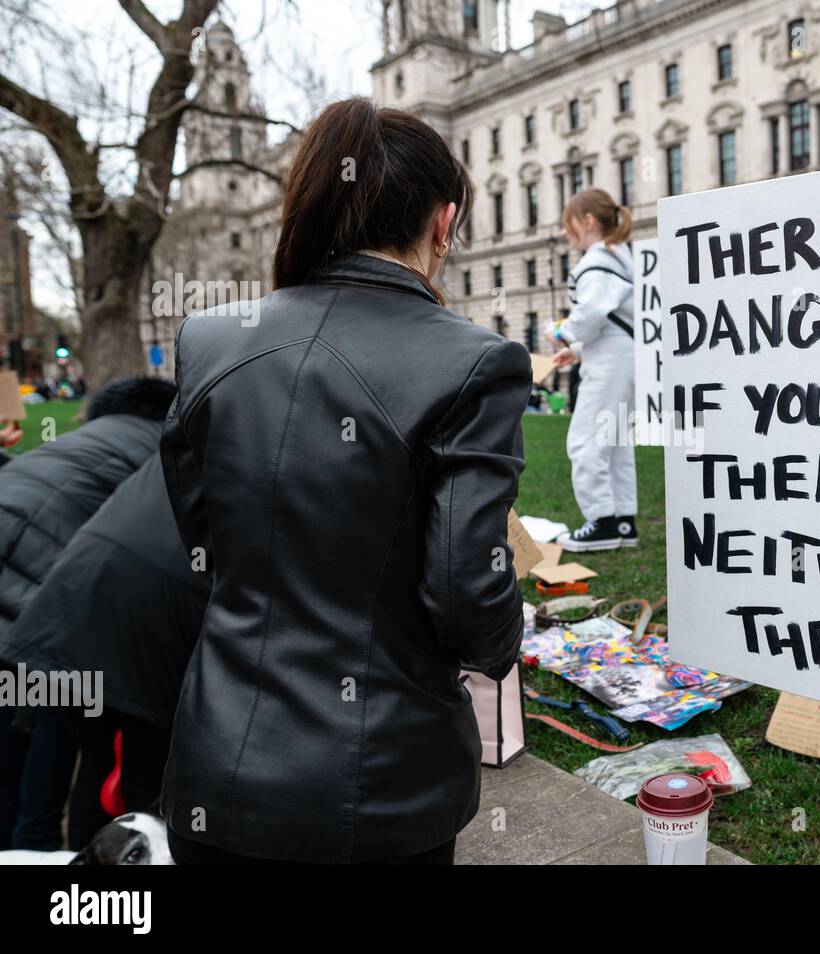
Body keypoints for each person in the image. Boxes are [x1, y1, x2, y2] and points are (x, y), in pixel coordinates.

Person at [159, 97, 531, 865]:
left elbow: (205, 545)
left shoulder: (209, 338)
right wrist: (499, 647)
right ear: (442, 222)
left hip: (217, 768)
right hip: (381, 788)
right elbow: (467, 594)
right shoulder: (474, 360)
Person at [0, 377, 176, 852]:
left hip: (31, 580)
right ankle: (43, 851)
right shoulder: (161, 449)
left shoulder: (79, 440)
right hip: (54, 599)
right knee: (57, 739)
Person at [551, 189, 639, 553]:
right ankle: (621, 520)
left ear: (587, 222)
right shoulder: (621, 256)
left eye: (569, 223)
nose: (566, 232)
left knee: (586, 441)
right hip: (623, 356)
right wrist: (578, 351)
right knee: (615, 441)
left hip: (610, 363)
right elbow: (612, 319)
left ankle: (602, 521)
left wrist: (560, 332)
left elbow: (588, 317)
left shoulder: (596, 260)